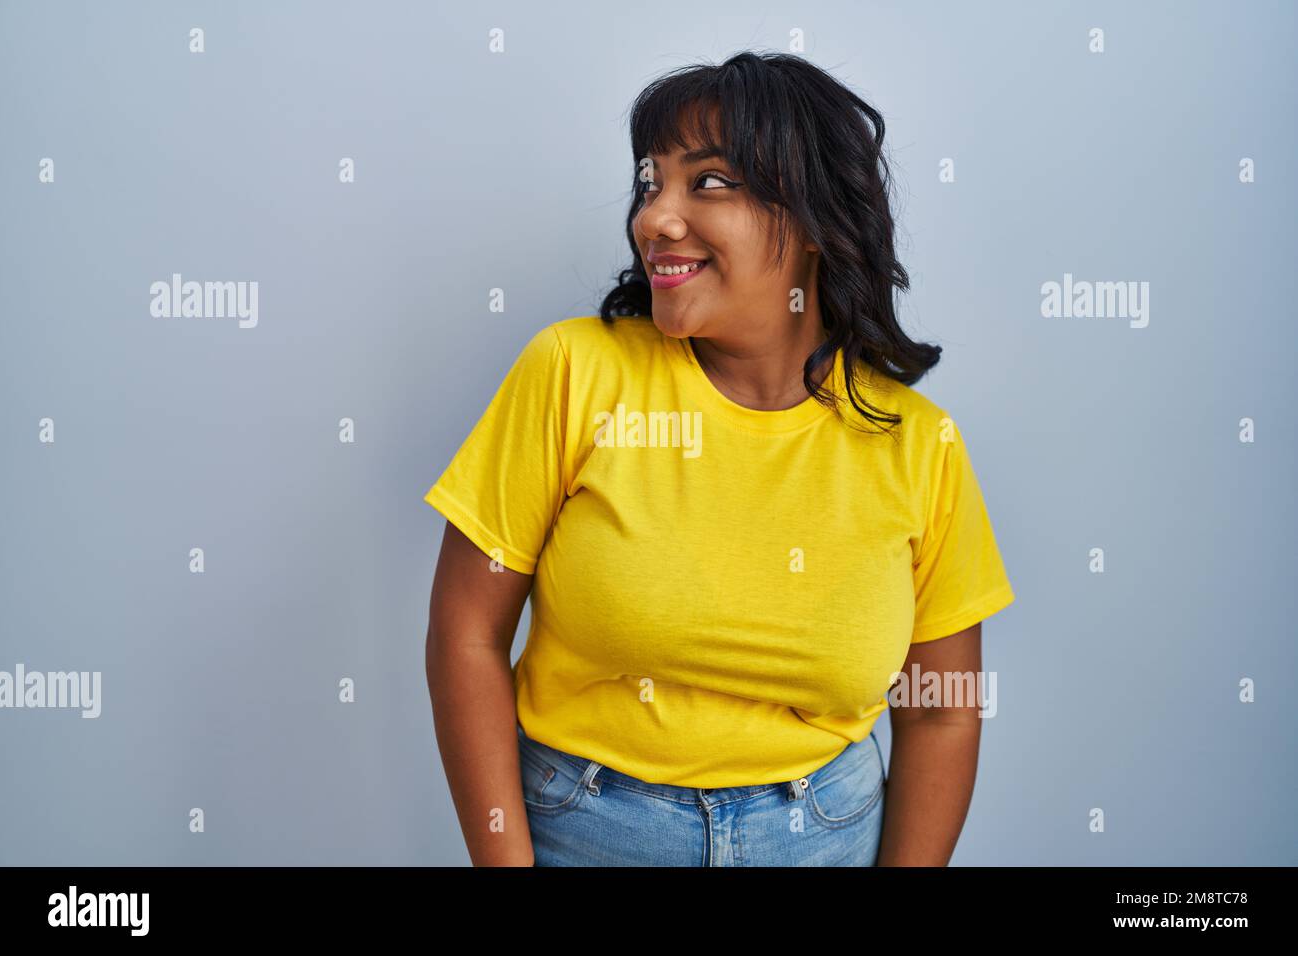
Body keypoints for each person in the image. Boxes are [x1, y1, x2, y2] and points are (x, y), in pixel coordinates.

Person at [423, 51, 1014, 866]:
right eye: (649, 182)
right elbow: (465, 635)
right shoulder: (573, 373)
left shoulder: (918, 445)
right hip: (585, 831)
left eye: (707, 183)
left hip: (826, 838)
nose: (655, 217)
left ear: (812, 221)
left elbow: (942, 710)